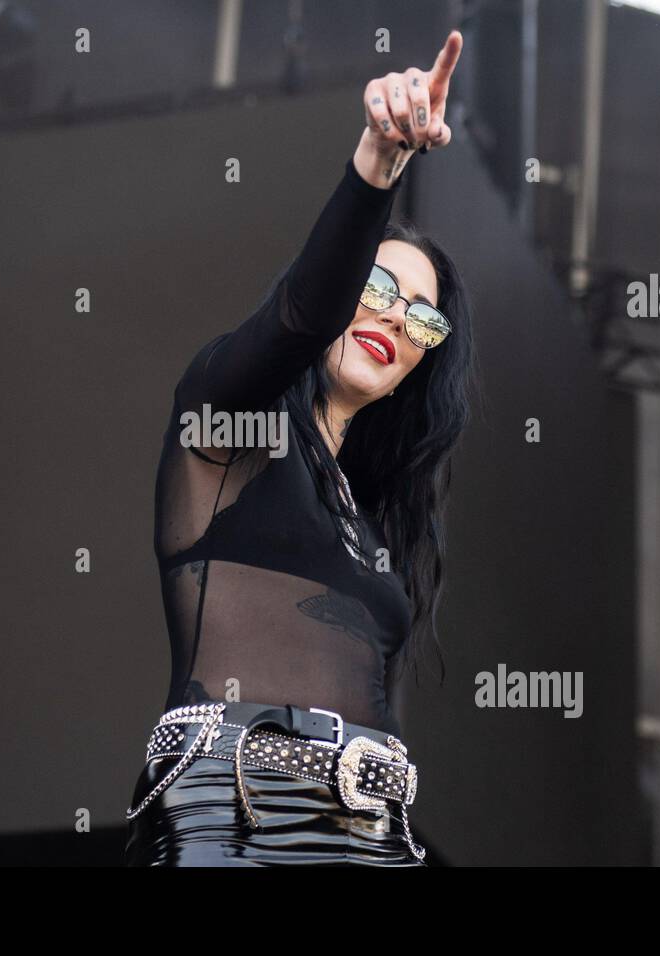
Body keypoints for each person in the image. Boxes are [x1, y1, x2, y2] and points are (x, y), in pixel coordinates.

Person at [125, 30, 477, 866]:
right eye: (378, 287)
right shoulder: (230, 425)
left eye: (421, 317)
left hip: (375, 841)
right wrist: (377, 161)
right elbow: (301, 313)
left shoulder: (364, 515)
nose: (394, 317)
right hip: (238, 820)